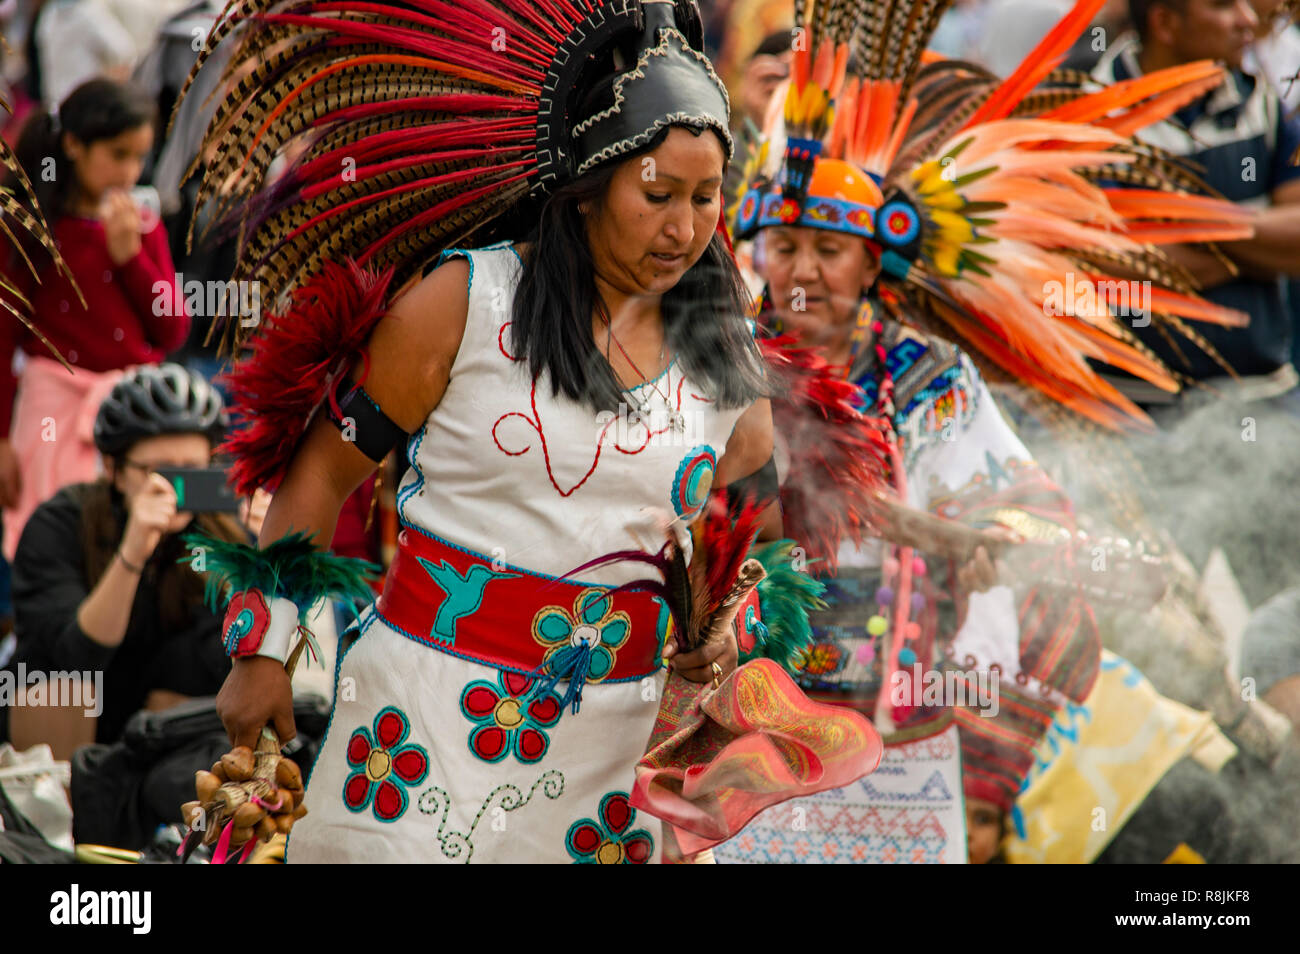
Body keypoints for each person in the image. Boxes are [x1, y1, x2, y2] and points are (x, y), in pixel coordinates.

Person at [176, 0, 882, 863]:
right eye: (658, 194)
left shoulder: (724, 344)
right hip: (419, 722)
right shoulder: (463, 303)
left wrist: (731, 629)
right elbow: (320, 478)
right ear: (588, 189)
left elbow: (756, 536)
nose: (685, 228)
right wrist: (266, 648)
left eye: (706, 198)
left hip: (615, 759)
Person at [710, 0, 1252, 862]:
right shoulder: (727, 368)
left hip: (904, 729)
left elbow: (1022, 505)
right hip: (751, 724)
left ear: (873, 264)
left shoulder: (926, 377)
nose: (803, 271)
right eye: (783, 246)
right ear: (753, 252)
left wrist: (999, 538)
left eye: (829, 249)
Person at [0, 363, 252, 759]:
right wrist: (133, 551)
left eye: (192, 471)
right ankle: (55, 815)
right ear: (114, 471)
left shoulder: (220, 531)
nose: (176, 488)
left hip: (153, 732)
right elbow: (75, 656)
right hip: (63, 730)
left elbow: (228, 661)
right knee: (62, 686)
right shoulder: (59, 524)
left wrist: (262, 560)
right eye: (157, 471)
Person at [0, 78, 188, 561]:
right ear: (73, 145)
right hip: (53, 409)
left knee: (144, 540)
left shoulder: (140, 226)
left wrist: (132, 260)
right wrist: (2, 440)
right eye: (117, 154)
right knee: (51, 540)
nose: (129, 172)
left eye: (139, 157)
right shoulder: (31, 227)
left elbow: (172, 330)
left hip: (133, 410)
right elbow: (3, 342)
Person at [1093, 0, 1300, 411]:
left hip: (1261, 398)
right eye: (1223, 5)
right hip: (1129, 409)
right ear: (1165, 23)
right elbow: (1102, 262)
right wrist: (1259, 247)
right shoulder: (1088, 118)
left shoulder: (1259, 101)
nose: (1246, 18)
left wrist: (1189, 219)